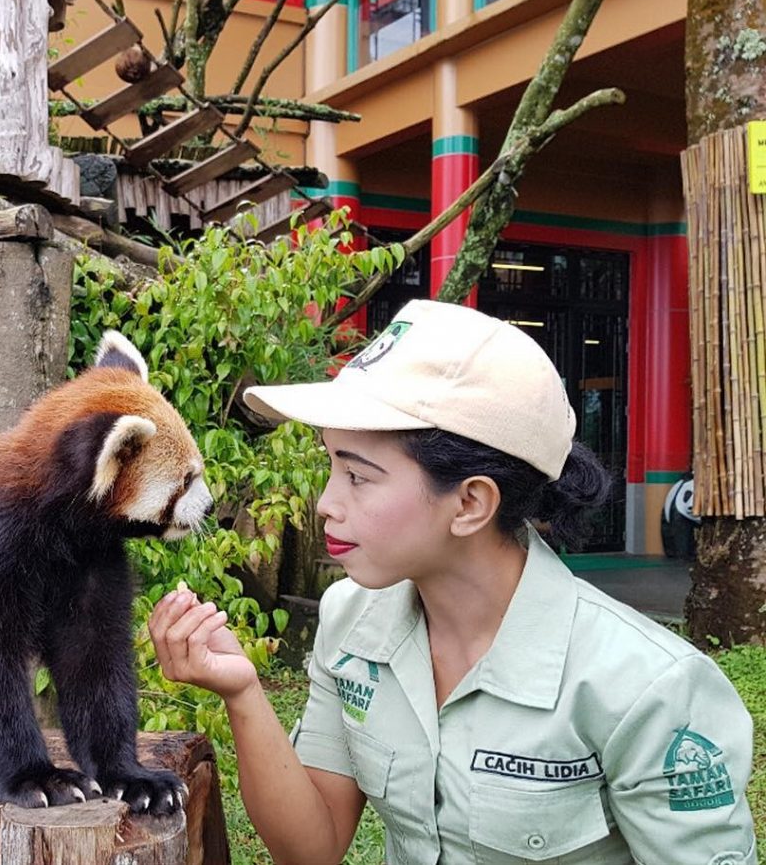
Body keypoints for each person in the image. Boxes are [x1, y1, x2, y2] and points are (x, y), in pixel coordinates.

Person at [148, 299, 757, 865]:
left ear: (469, 503)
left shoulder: (649, 688)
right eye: (331, 465)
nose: (326, 505)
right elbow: (314, 846)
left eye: (359, 477)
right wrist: (244, 692)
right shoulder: (351, 620)